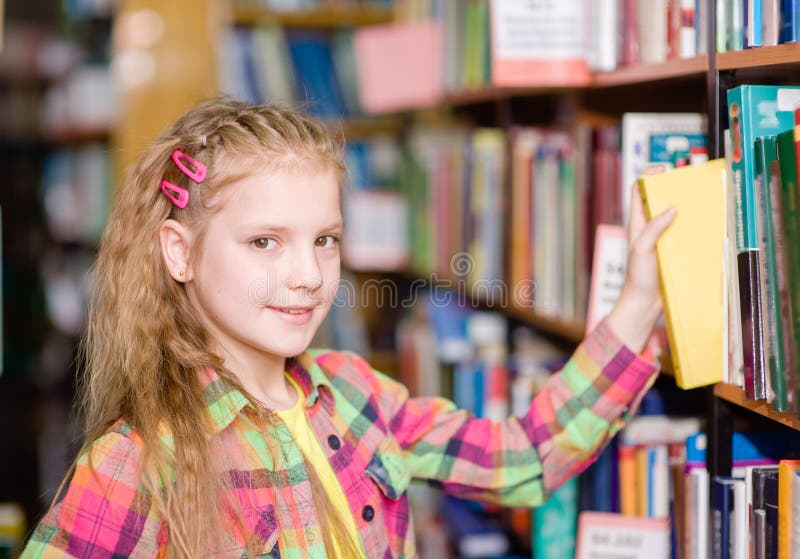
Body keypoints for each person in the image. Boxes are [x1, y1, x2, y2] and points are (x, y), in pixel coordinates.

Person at [22, 98, 674, 558]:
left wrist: (638, 303)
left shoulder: (358, 394)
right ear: (179, 251)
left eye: (325, 239)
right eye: (265, 241)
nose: (308, 274)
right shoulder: (136, 459)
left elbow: (523, 457)